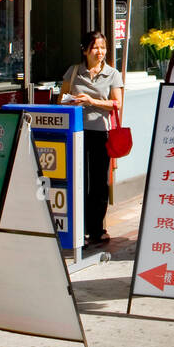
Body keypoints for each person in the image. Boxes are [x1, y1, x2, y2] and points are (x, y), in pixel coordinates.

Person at [61, 31, 123, 248]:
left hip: (100, 132)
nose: (100, 52)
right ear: (85, 50)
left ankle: (96, 228)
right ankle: (79, 228)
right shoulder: (74, 71)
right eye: (95, 47)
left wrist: (92, 101)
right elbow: (62, 98)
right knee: (79, 180)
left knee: (98, 182)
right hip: (76, 132)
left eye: (103, 47)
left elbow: (117, 103)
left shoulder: (112, 74)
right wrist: (71, 102)